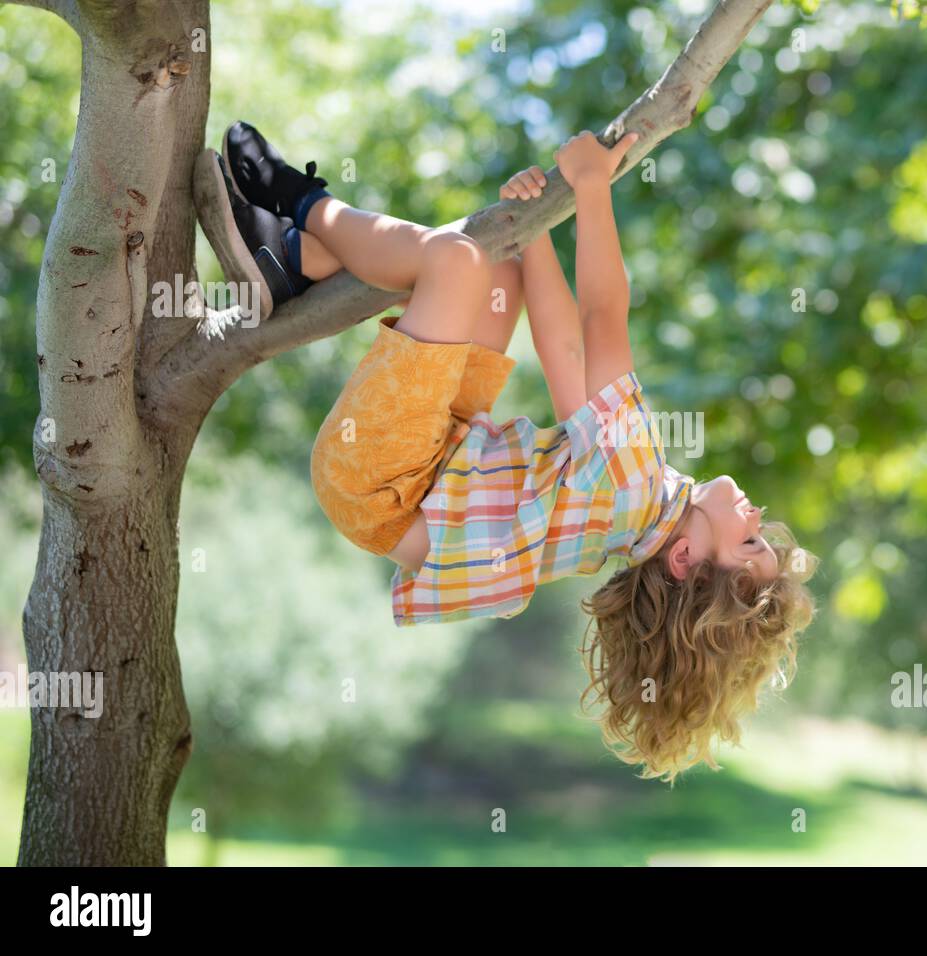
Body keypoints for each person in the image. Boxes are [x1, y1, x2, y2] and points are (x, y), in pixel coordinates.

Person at [198, 121, 819, 782]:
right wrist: (536, 229)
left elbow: (599, 320)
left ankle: (293, 201)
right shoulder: (634, 513)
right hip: (429, 460)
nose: (757, 520)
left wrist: (590, 187)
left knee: (456, 263)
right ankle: (294, 265)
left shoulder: (637, 488)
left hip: (381, 479)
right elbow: (561, 354)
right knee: (499, 271)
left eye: (749, 544)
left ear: (686, 558)